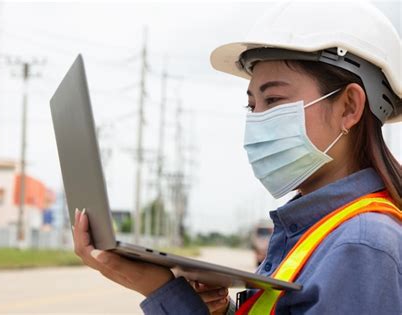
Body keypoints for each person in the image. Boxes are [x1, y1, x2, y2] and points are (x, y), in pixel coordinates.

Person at [72, 2, 401, 314]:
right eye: (251, 105)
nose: (257, 119)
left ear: (349, 107)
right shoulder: (323, 230)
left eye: (272, 99)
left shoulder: (362, 245)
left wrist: (162, 292)